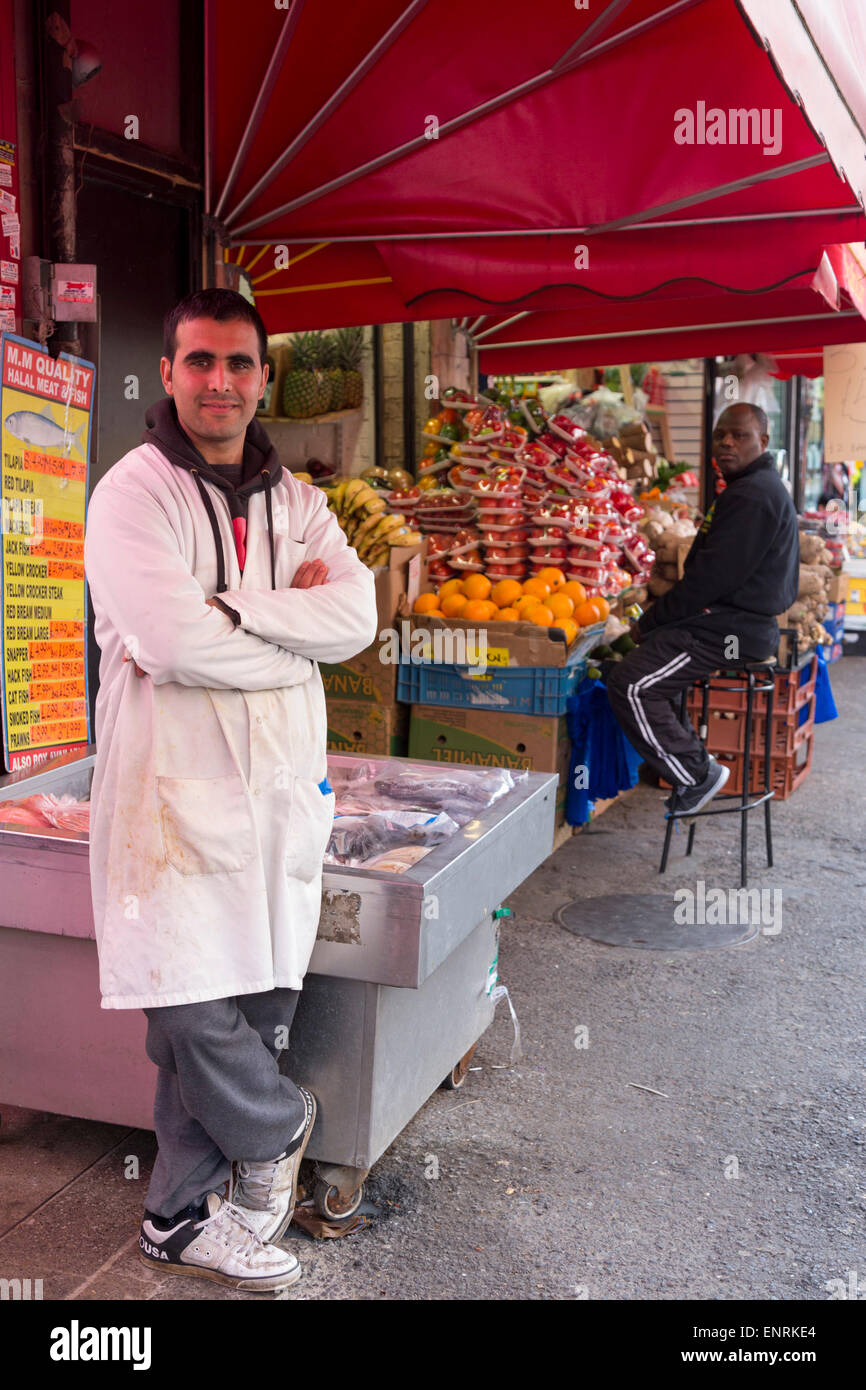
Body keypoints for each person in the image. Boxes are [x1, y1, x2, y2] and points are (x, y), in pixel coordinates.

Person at [83, 289, 378, 1293]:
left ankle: (173, 1217)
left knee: (248, 1006)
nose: (220, 381)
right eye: (200, 361)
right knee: (185, 1005)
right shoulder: (132, 494)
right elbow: (167, 640)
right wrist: (286, 641)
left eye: (239, 363)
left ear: (263, 378)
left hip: (276, 793)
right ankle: (277, 1123)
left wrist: (239, 616)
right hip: (169, 802)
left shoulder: (295, 502)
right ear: (166, 373)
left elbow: (355, 616)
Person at [605, 402, 799, 817]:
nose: (727, 442)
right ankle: (691, 760)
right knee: (648, 666)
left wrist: (648, 623)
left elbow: (711, 580)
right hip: (724, 624)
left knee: (631, 685)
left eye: (740, 435)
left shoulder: (754, 497)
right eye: (720, 435)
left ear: (762, 442)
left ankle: (696, 775)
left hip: (732, 635)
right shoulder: (746, 487)